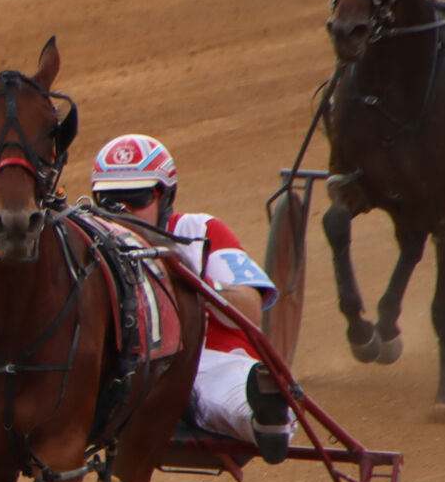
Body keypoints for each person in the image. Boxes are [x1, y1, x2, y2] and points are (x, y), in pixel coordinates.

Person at [89, 134, 293, 464]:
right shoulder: (90, 242)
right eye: (109, 202)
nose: (122, 212)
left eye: (137, 198)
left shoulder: (199, 231)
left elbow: (249, 310)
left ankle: (267, 419)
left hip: (207, 362)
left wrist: (190, 280)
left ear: (165, 195)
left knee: (229, 398)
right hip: (123, 371)